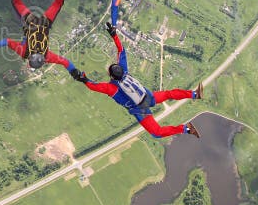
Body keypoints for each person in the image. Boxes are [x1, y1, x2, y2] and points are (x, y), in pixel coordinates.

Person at [73, 22, 203, 138]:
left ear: (112, 77)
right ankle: (194, 94)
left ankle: (186, 129)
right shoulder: (124, 70)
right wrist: (114, 35)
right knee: (168, 94)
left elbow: (93, 86)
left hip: (141, 110)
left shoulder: (111, 88)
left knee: (157, 132)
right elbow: (121, 51)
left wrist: (83, 79)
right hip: (148, 97)